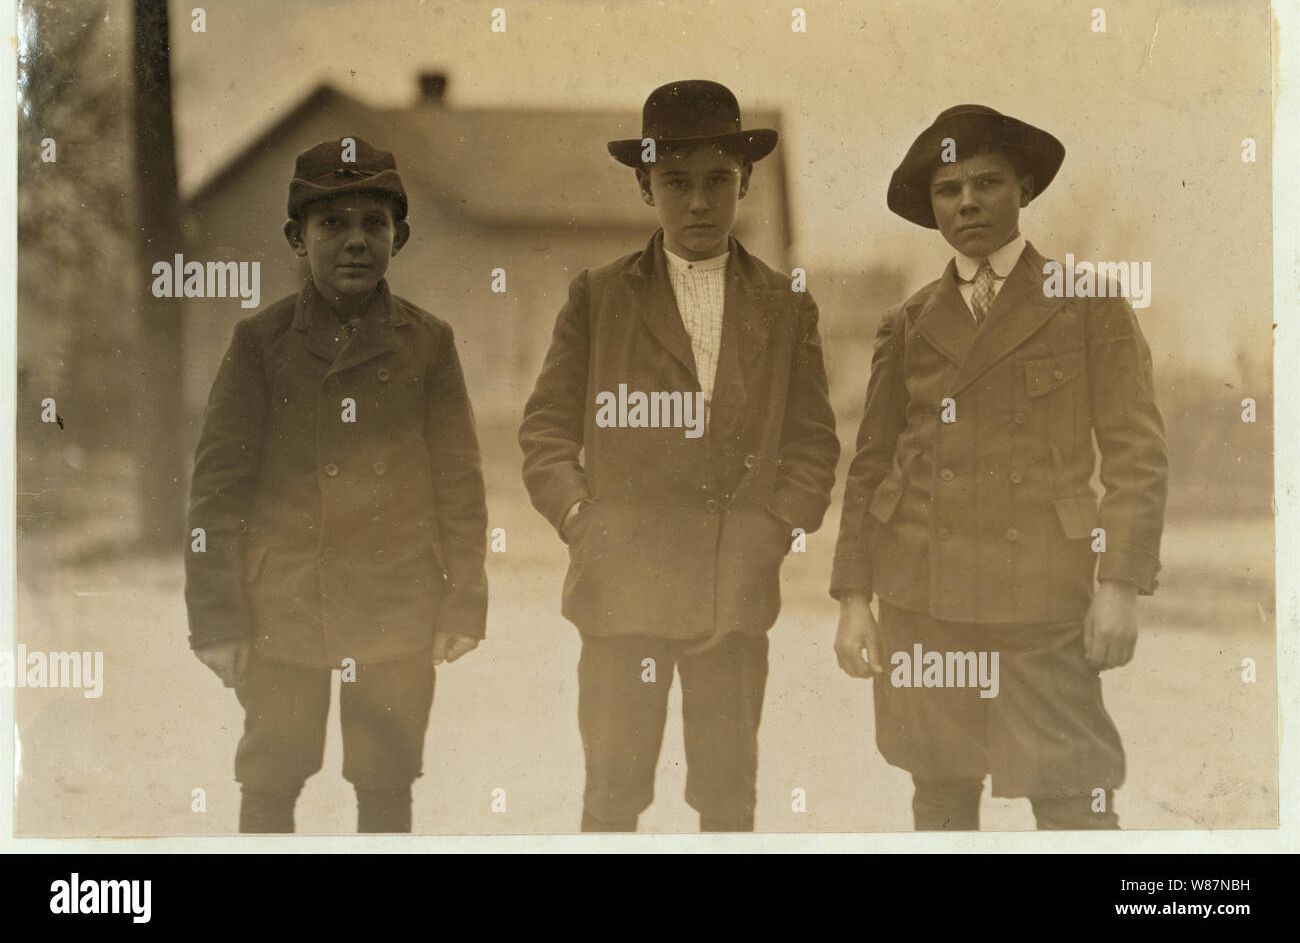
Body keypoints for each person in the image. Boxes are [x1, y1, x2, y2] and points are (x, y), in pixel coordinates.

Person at [830, 104, 1168, 830]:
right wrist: (854, 597)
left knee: (1074, 794)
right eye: (948, 190)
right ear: (932, 208)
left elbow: (1137, 452)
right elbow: (870, 467)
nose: (968, 202)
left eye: (987, 182)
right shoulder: (909, 322)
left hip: (1042, 598)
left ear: (1025, 190)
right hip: (923, 595)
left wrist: (1120, 585)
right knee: (942, 795)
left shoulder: (1087, 303)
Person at [519, 80, 840, 832]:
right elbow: (544, 435)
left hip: (733, 592)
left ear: (746, 184)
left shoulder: (785, 303)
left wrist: (771, 532)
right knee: (613, 797)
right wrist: (579, 520)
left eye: (718, 182)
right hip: (619, 588)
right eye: (676, 183)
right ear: (644, 187)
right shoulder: (597, 298)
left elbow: (814, 443)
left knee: (728, 801)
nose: (698, 202)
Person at [184, 137, 488, 833]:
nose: (355, 242)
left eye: (373, 225)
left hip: (397, 604)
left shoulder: (429, 342)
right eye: (332, 225)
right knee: (272, 774)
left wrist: (464, 600)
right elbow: (217, 492)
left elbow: (460, 484)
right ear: (298, 237)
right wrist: (219, 618)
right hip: (283, 601)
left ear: (399, 237)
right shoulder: (260, 342)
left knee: (386, 778)